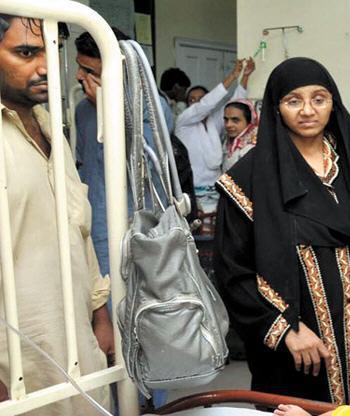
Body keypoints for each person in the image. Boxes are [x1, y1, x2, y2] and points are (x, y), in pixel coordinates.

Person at [214, 58, 350, 404]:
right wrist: (286, 328)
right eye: (294, 101)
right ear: (276, 107)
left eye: (319, 99)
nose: (307, 110)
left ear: (333, 103)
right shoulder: (247, 181)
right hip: (300, 343)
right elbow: (233, 273)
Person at [0, 15, 112, 416]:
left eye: (51, 52)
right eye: (26, 53)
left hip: (77, 343)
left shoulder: (50, 127)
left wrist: (101, 316)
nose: (45, 67)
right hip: (18, 362)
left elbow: (78, 228)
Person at [74, 27, 173, 278]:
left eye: (89, 71)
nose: (79, 76)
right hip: (95, 228)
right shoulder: (83, 111)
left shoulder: (151, 107)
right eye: (79, 67)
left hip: (138, 231)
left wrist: (108, 110)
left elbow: (144, 169)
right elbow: (83, 167)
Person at [175, 58, 253, 216]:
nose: (197, 103)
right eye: (192, 100)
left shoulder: (213, 121)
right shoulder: (183, 122)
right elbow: (204, 106)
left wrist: (245, 76)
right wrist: (232, 75)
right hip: (193, 190)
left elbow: (235, 103)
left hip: (217, 188)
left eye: (201, 98)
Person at [222, 98, 258, 172]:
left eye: (235, 120)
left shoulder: (254, 147)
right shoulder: (228, 142)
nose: (228, 125)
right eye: (226, 120)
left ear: (249, 122)